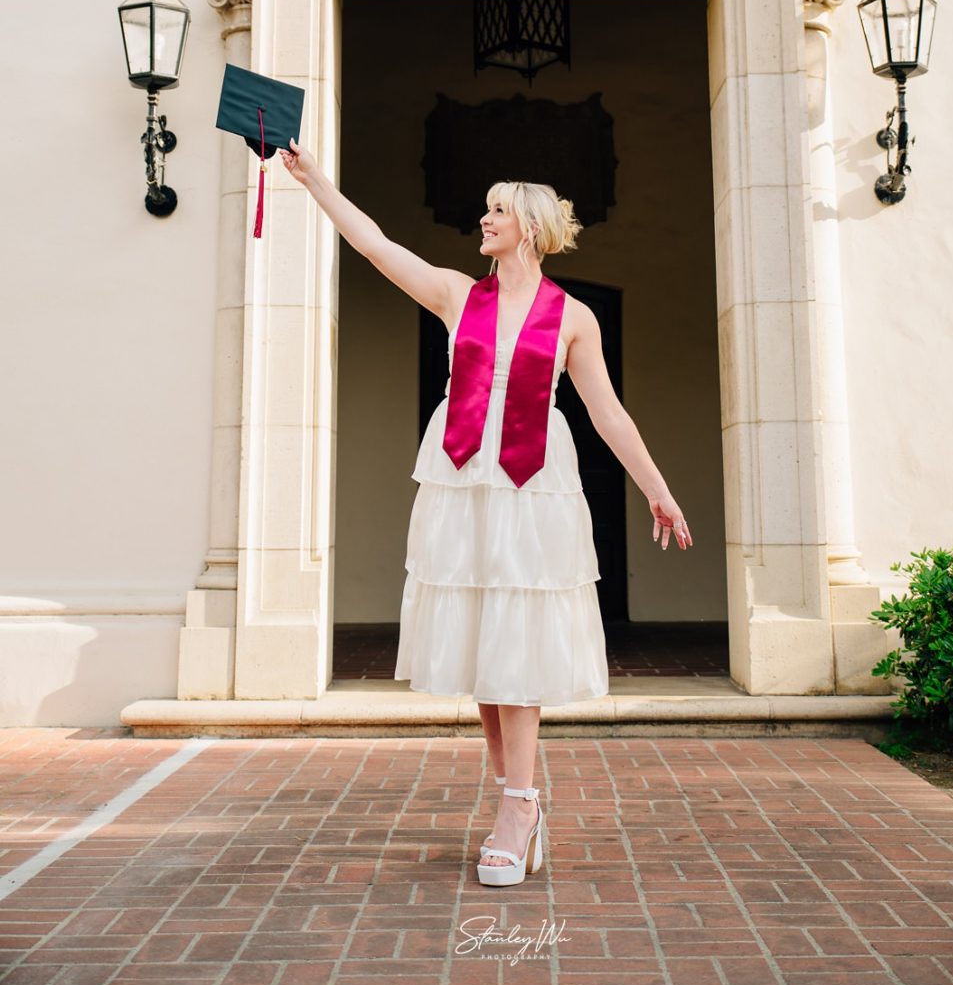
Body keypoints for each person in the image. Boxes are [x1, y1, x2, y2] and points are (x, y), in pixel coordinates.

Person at [280, 139, 692, 886]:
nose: (484, 218)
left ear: (529, 227)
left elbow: (609, 415)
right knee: (483, 645)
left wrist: (657, 489)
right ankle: (517, 797)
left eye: (497, 210)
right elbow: (375, 246)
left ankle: (518, 808)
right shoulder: (455, 294)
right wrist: (316, 182)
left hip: (532, 486)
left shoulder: (574, 319)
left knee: (516, 641)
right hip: (463, 477)